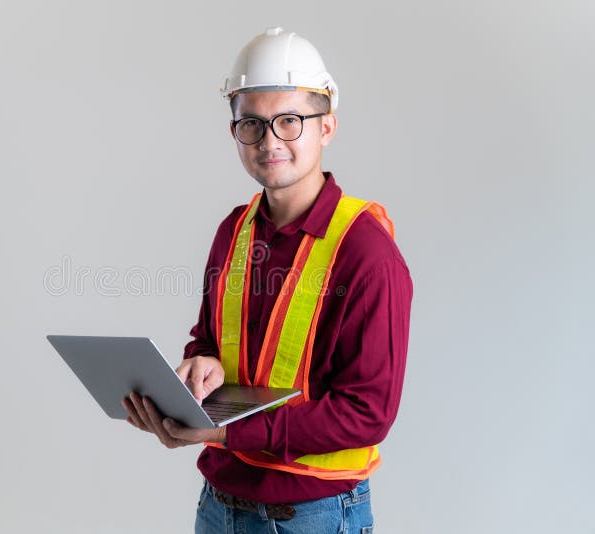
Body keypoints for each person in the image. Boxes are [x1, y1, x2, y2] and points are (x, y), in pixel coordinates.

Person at [123, 26, 412, 533]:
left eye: (290, 121)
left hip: (313, 517)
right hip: (219, 506)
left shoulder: (366, 252)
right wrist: (199, 370)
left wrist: (220, 435)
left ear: (327, 127)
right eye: (252, 124)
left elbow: (368, 414)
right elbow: (209, 339)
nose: (270, 141)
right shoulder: (234, 230)